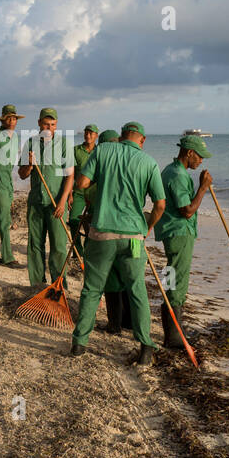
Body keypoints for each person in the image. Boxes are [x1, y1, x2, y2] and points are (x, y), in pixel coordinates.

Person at [70, 121, 165, 366]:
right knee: (137, 291)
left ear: (122, 137)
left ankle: (79, 344)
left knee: (92, 290)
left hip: (101, 233)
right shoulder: (149, 162)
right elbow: (160, 205)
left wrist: (102, 183)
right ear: (142, 141)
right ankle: (145, 348)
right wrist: (147, 229)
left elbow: (81, 184)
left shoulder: (102, 151)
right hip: (133, 237)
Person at [157, 134, 213, 349]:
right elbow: (187, 211)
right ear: (189, 152)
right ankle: (173, 337)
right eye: (199, 156)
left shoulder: (171, 170)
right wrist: (203, 188)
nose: (201, 161)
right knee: (177, 280)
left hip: (172, 232)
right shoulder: (178, 175)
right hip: (179, 232)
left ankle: (173, 331)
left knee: (171, 274)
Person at [18, 107, 74, 287]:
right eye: (45, 124)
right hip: (36, 202)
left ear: (56, 126)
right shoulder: (30, 143)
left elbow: (70, 176)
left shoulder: (64, 144)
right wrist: (30, 166)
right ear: (39, 124)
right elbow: (22, 174)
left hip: (55, 204)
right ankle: (37, 284)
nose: (48, 127)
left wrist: (63, 201)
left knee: (58, 247)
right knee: (35, 246)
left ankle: (59, 285)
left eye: (52, 124)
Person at [82, 129, 129, 334]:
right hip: (129, 230)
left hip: (105, 231)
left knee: (109, 277)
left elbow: (89, 194)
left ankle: (114, 324)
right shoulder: (128, 168)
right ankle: (130, 322)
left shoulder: (101, 175)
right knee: (127, 276)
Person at [0, 104, 24, 269]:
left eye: (14, 118)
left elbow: (10, 165)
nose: (12, 121)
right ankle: (8, 256)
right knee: (3, 220)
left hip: (7, 182)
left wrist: (12, 186)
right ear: (3, 120)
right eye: (9, 118)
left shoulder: (14, 138)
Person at [69, 124, 98, 268]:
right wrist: (69, 194)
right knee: (73, 220)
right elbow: (69, 174)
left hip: (93, 194)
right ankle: (77, 250)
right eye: (86, 133)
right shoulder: (76, 150)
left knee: (91, 223)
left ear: (96, 136)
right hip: (78, 193)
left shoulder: (100, 151)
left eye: (91, 133)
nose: (88, 135)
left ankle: (87, 249)